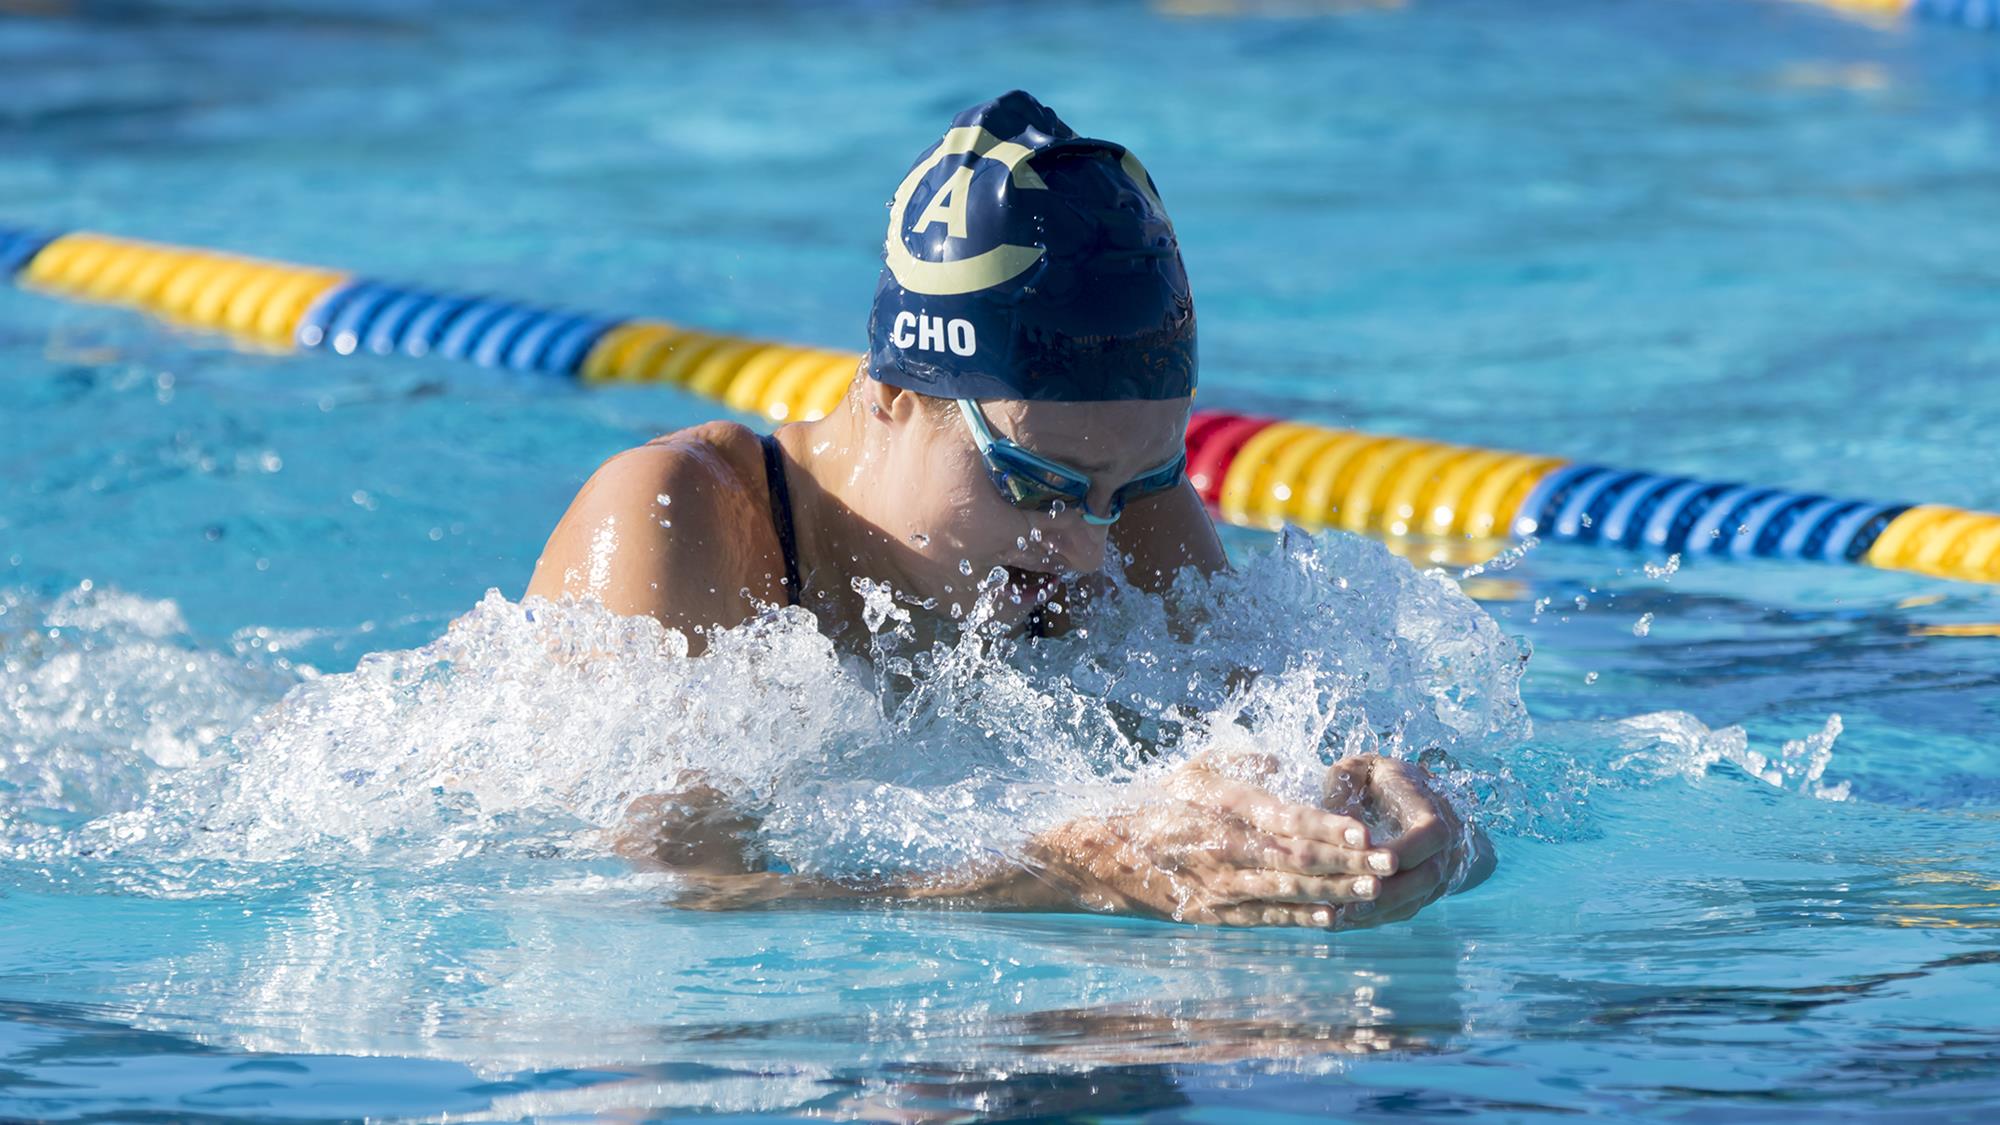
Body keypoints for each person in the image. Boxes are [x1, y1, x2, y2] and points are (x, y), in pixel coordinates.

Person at [525, 91, 1492, 928]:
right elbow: (675, 912)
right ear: (893, 396)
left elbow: (1302, 757)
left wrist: (1391, 825)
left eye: (1138, 483)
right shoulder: (686, 518)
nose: (1087, 549)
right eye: (1036, 482)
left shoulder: (1116, 507)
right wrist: (1065, 870)